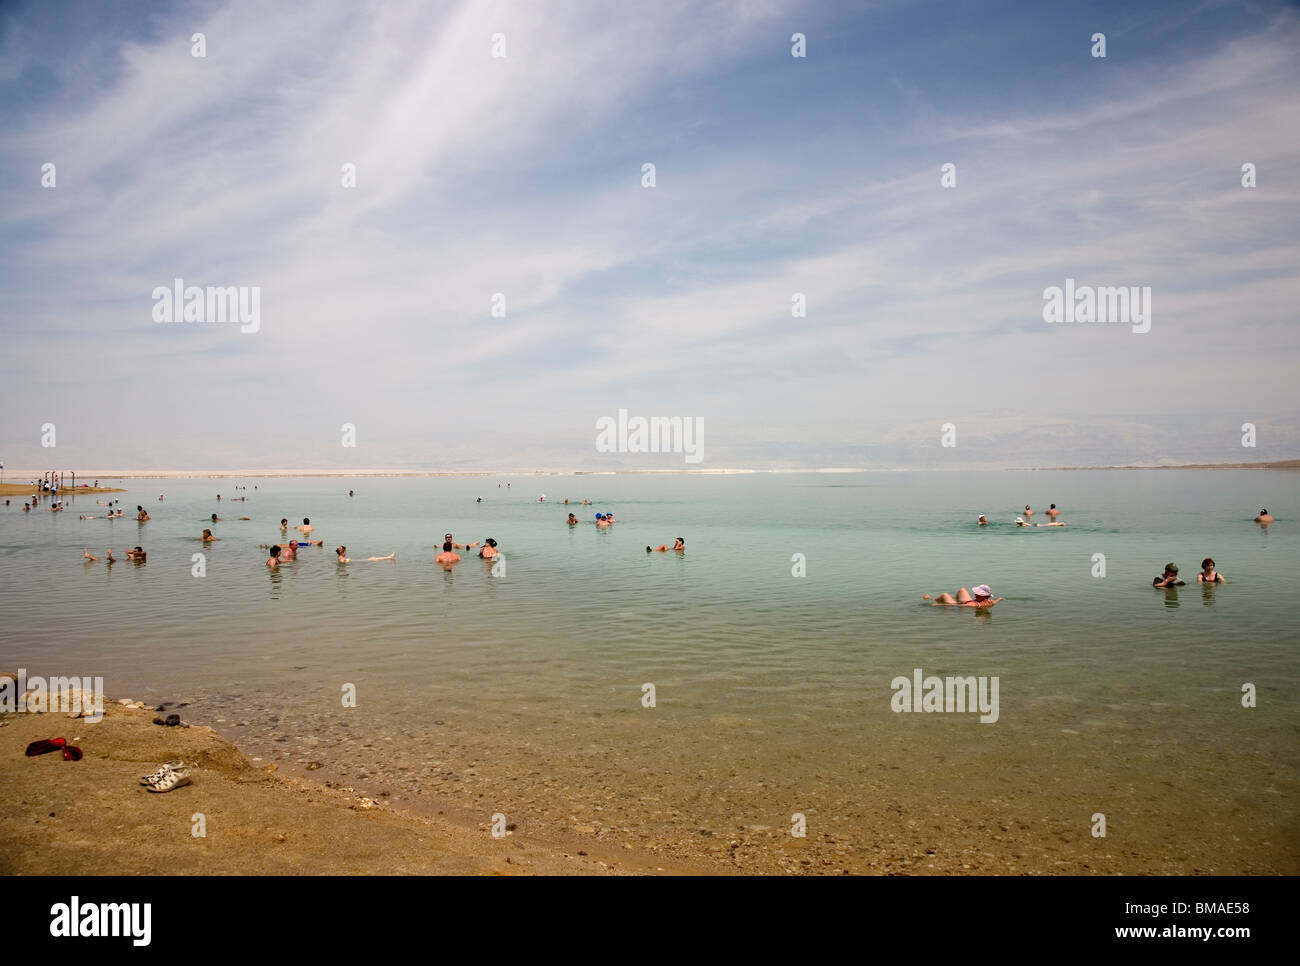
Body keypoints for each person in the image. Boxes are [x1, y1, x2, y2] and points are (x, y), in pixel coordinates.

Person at [923, 584, 1004, 609]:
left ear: (983, 596)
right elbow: (995, 602)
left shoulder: (973, 605)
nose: (975, 594)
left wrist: (939, 605)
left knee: (945, 595)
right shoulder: (989, 602)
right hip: (967, 600)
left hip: (964, 604)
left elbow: (956, 605)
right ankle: (952, 598)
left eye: (977, 594)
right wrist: (999, 599)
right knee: (962, 589)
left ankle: (930, 598)